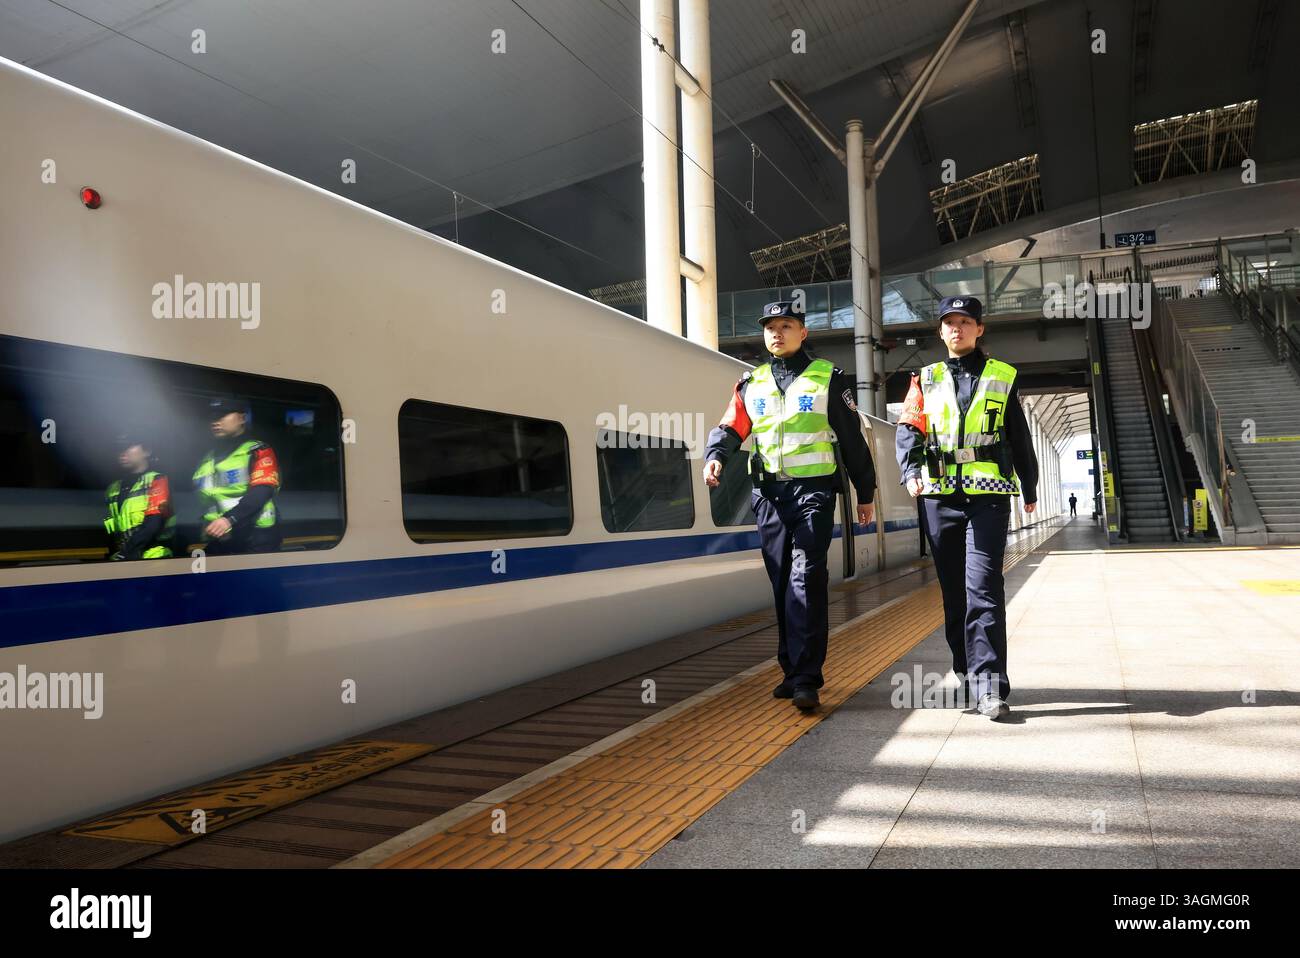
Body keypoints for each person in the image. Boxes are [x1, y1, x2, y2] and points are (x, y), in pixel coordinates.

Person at [703, 301, 876, 711]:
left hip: (813, 492)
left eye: (786, 326)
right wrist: (716, 455)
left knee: (806, 578)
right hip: (768, 497)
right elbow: (732, 426)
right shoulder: (751, 383)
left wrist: (864, 493)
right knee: (782, 582)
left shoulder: (827, 378)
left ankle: (806, 678)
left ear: (803, 333)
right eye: (770, 328)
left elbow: (852, 440)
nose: (776, 333)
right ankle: (790, 670)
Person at [895, 296, 1038, 720]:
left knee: (984, 589)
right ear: (940, 332)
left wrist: (1028, 487)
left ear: (980, 329)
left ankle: (991, 687)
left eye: (964, 322)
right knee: (955, 594)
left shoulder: (1002, 376)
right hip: (940, 498)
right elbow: (908, 430)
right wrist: (910, 471)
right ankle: (967, 673)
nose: (956, 329)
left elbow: (1019, 436)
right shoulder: (924, 378)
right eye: (949, 323)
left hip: (988, 497)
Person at [193, 398, 282, 554]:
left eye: (222, 414)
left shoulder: (257, 450)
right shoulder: (207, 458)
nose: (215, 421)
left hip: (256, 537)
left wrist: (229, 519)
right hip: (222, 537)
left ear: (242, 418)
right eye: (212, 416)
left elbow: (262, 491)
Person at [104, 435, 175, 560]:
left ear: (147, 451)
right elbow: (110, 531)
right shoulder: (112, 490)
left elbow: (154, 524)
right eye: (119, 447)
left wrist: (126, 552)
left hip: (154, 557)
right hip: (123, 559)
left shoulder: (158, 480)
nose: (122, 451)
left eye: (129, 445)